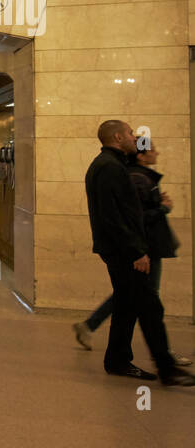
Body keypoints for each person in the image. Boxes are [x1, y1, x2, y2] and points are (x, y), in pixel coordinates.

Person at [83, 120, 193, 385]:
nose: (135, 138)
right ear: (118, 137)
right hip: (123, 251)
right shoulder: (110, 168)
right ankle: (166, 368)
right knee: (150, 307)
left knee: (126, 304)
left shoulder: (110, 165)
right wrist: (136, 251)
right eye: (131, 134)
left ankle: (118, 360)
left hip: (119, 248)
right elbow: (115, 217)